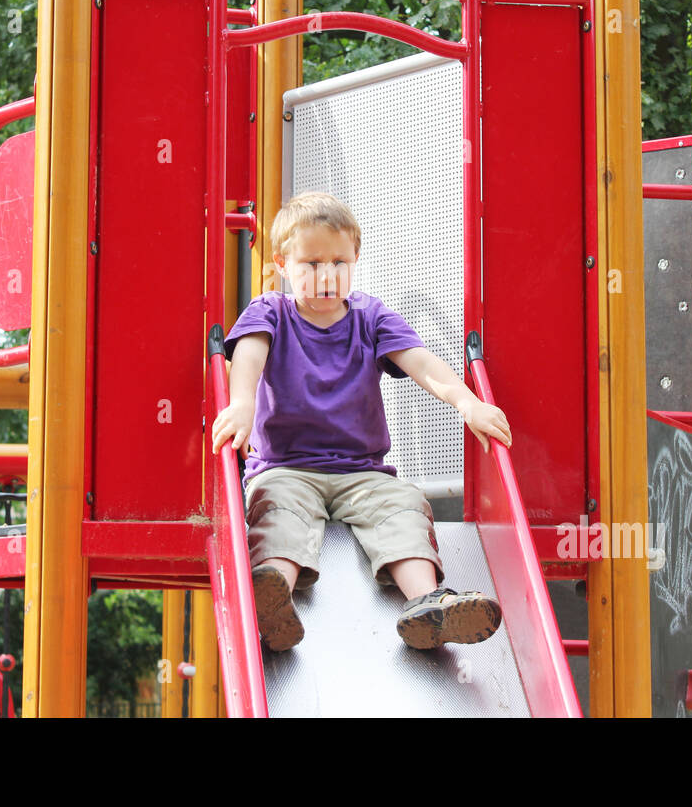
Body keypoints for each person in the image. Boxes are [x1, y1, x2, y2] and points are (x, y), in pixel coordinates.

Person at [212, 191, 513, 652]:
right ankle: (271, 595)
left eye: (338, 261)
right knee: (277, 509)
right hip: (287, 466)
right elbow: (249, 357)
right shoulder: (270, 311)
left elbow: (422, 364)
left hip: (363, 472)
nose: (326, 275)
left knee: (402, 507)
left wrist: (467, 402)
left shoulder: (371, 317)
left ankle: (427, 604)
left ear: (355, 259)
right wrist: (242, 405)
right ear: (281, 263)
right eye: (311, 263)